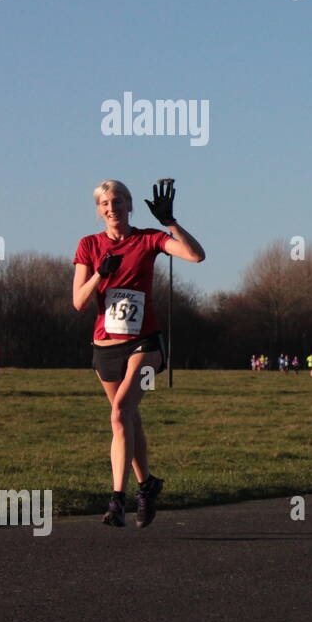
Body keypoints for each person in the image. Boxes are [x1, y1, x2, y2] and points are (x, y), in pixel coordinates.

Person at [71, 179, 204, 528]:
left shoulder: (147, 238)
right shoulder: (89, 245)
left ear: (130, 205)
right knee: (129, 418)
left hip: (145, 343)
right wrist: (101, 273)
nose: (111, 208)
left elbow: (196, 255)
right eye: (104, 203)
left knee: (119, 413)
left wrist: (169, 223)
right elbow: (79, 301)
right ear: (98, 210)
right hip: (105, 346)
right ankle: (147, 485)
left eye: (117, 201)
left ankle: (118, 500)